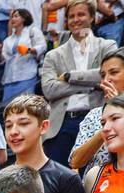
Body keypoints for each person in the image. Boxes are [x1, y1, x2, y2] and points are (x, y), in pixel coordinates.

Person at [38, 0, 117, 166]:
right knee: (58, 184)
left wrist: (69, 76)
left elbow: (110, 76)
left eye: (81, 14)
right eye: (71, 16)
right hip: (62, 124)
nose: (75, 19)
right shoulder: (53, 55)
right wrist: (92, 83)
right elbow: (49, 89)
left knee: (95, 176)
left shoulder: (107, 46)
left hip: (98, 119)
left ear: (92, 17)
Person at [0, 9, 47, 101]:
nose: (13, 19)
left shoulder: (33, 31)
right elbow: (1, 61)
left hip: (26, 76)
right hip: (9, 79)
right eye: (12, 17)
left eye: (16, 16)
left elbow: (43, 47)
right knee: (8, 109)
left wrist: (28, 50)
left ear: (24, 18)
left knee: (25, 106)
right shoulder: (8, 40)